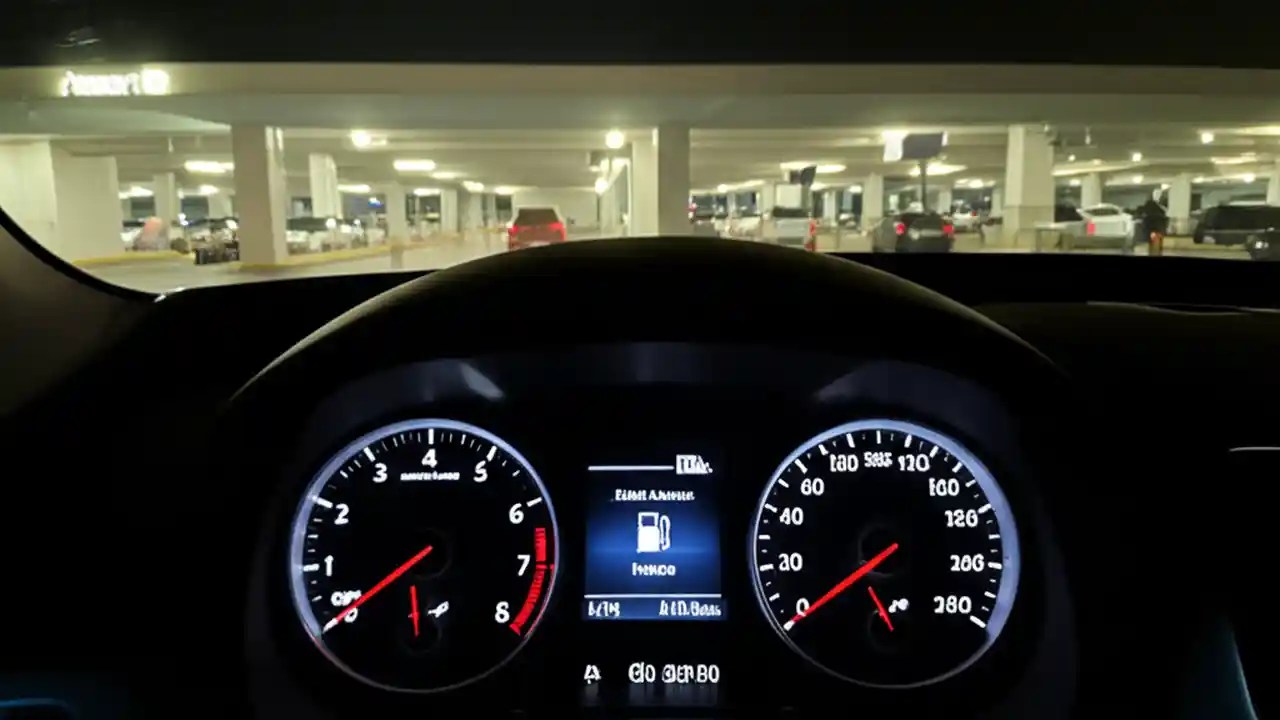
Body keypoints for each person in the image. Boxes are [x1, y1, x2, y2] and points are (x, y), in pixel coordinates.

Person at [1139, 190, 1169, 256]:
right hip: (1155, 228)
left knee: (1156, 246)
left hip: (1157, 229)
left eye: (1159, 194)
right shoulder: (1151, 205)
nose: (1158, 196)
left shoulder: (1162, 205)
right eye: (1156, 194)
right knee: (1155, 246)